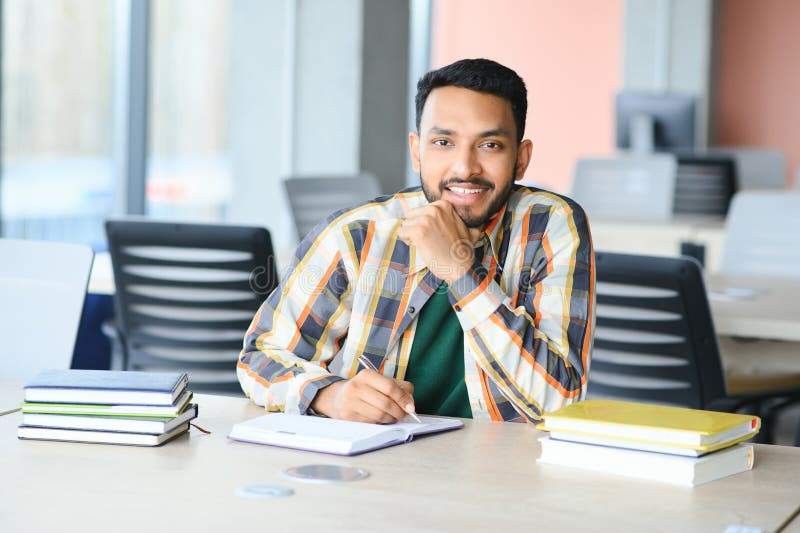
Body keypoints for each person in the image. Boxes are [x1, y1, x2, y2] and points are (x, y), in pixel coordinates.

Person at [238, 58, 594, 423]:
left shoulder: (549, 226)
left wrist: (459, 269)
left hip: (500, 469)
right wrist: (330, 395)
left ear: (521, 159)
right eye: (443, 142)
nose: (464, 167)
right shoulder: (357, 234)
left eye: (489, 145)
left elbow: (558, 401)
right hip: (377, 465)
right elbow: (260, 358)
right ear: (417, 151)